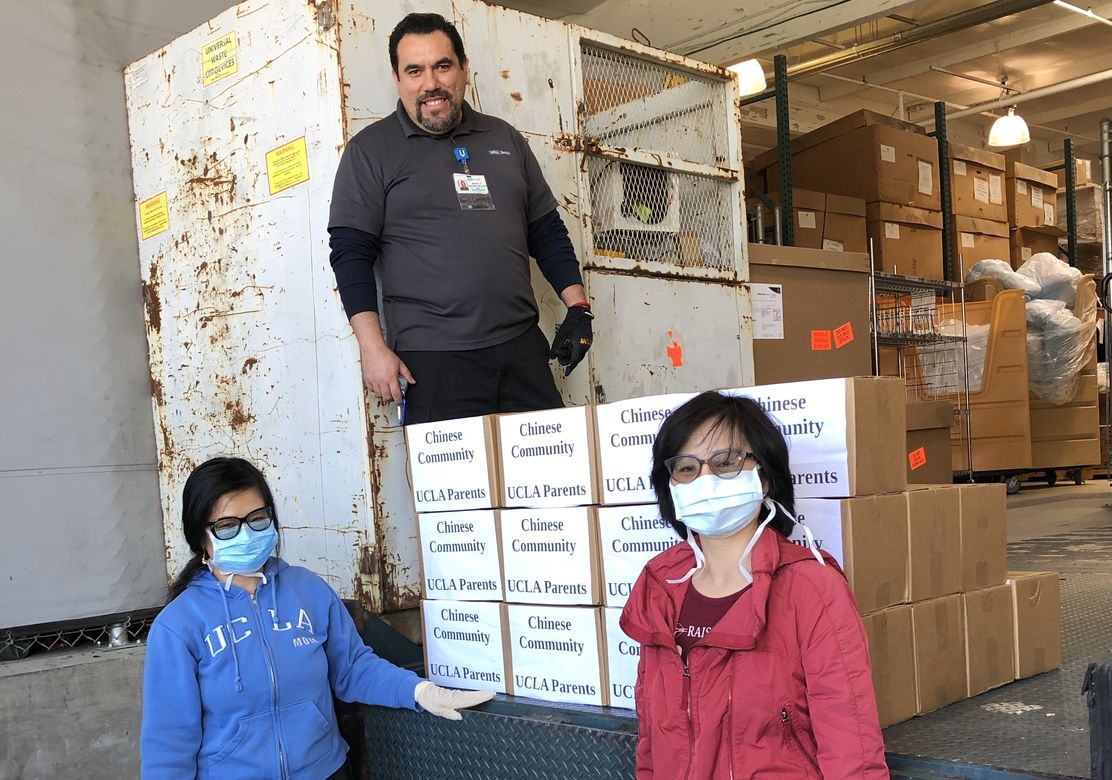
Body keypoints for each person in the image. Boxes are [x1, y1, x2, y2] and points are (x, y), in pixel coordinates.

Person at [140, 457, 494, 779]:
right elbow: (169, 741)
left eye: (258, 518)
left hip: (325, 771)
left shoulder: (307, 591)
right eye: (228, 526)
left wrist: (418, 690)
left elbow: (353, 668)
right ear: (200, 536)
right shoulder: (179, 625)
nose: (247, 533)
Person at [328, 12, 593, 425]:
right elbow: (350, 254)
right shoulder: (370, 151)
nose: (430, 83)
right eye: (414, 70)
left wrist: (578, 308)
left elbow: (546, 231)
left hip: (522, 348)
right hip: (433, 362)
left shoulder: (504, 138)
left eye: (442, 66)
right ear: (397, 78)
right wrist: (372, 347)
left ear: (465, 69)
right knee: (457, 489)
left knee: (557, 482)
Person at [620, 392, 888, 778]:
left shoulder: (810, 588)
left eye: (726, 463)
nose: (705, 479)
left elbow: (852, 748)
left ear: (764, 478)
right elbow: (651, 739)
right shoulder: (660, 584)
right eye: (686, 468)